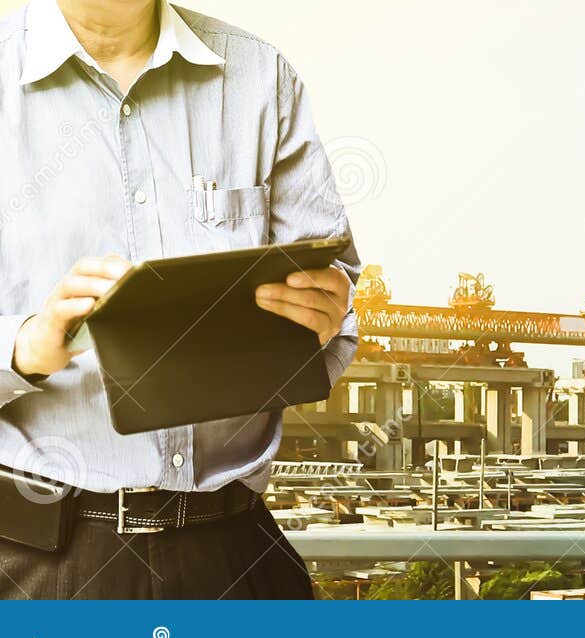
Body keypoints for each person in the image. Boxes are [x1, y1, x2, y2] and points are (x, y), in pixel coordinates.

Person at [0, 0, 360, 598]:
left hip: (239, 559)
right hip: (39, 568)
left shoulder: (260, 78)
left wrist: (323, 314)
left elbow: (335, 293)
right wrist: (24, 345)